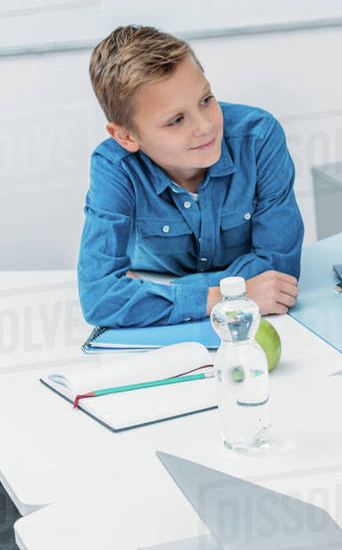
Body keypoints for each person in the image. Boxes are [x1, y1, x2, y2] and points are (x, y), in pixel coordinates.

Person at [77, 25, 303, 327]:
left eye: (206, 100)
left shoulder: (259, 138)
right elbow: (101, 297)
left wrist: (159, 292)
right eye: (177, 120)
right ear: (126, 136)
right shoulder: (115, 168)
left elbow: (278, 269)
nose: (205, 126)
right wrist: (222, 297)